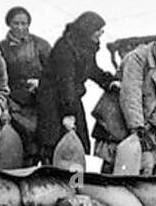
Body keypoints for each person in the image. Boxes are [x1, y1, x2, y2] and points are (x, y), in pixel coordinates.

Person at [98, 35, 156, 175]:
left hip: (143, 124)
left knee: (141, 165)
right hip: (119, 119)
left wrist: (153, 127)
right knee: (114, 162)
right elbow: (131, 94)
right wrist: (137, 128)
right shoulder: (137, 58)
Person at [37, 10, 117, 160]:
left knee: (80, 148)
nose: (100, 34)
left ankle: (76, 183)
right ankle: (55, 182)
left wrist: (108, 82)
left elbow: (92, 70)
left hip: (71, 99)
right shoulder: (65, 48)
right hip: (54, 104)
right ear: (87, 30)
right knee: (56, 148)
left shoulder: (86, 47)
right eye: (98, 30)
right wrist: (68, 114)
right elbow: (65, 82)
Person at [0, 6, 52, 165]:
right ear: (9, 24)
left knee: (41, 150)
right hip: (14, 107)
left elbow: (55, 74)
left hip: (38, 106)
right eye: (16, 23)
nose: (20, 27)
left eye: (24, 23)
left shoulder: (41, 45)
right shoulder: (1, 48)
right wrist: (4, 109)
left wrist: (41, 83)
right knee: (17, 151)